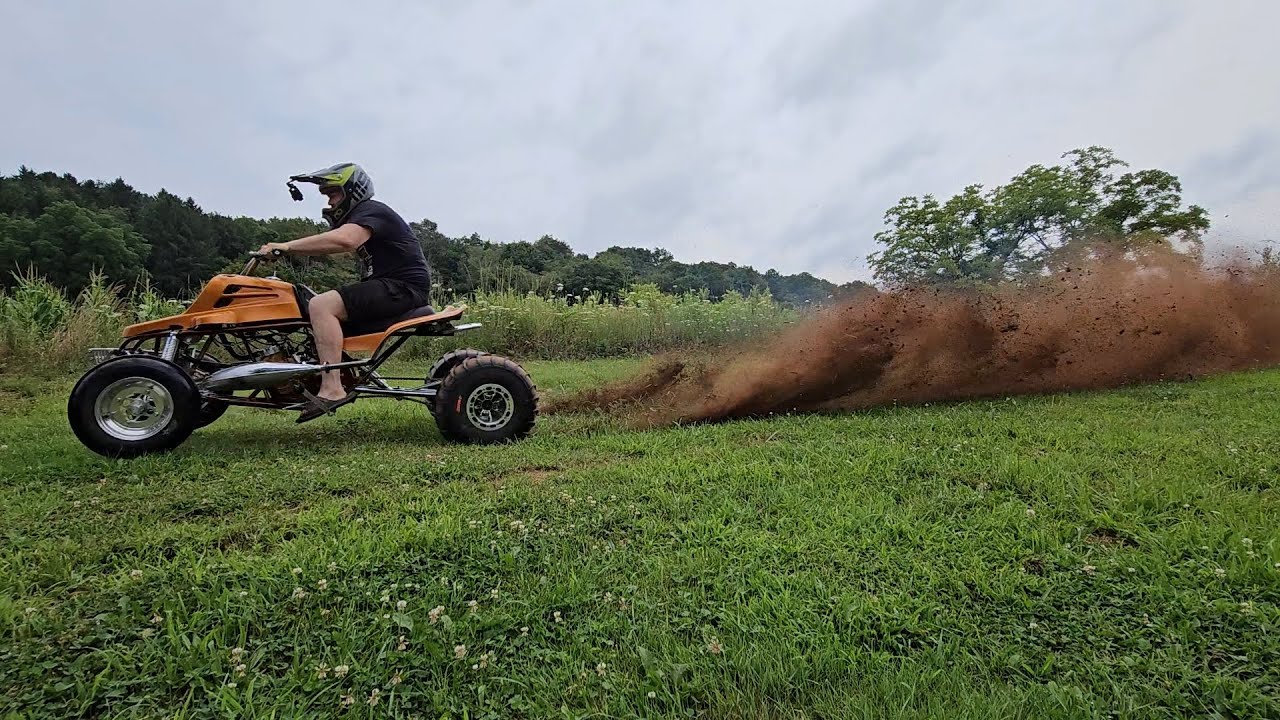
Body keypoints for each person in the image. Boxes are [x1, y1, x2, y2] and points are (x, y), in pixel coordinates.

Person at [257, 163, 431, 422]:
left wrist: (286, 246)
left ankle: (332, 388)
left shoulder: (371, 210)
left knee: (321, 305)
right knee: (307, 306)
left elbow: (345, 240)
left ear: (353, 190)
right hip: (393, 286)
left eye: (333, 194)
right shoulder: (364, 215)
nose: (329, 202)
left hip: (403, 287)